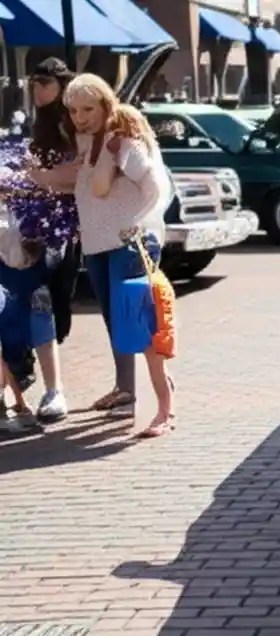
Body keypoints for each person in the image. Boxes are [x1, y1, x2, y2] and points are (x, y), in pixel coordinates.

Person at [64, 73, 177, 436]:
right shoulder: (91, 144)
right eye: (73, 110)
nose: (80, 117)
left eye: (87, 109)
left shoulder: (121, 142)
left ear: (105, 105)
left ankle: (161, 409)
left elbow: (154, 187)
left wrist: (136, 224)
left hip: (128, 244)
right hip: (98, 245)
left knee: (140, 324)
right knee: (119, 325)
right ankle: (130, 392)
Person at [1, 58, 80, 426]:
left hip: (58, 230)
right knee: (21, 308)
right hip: (24, 230)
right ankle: (18, 393)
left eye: (44, 83)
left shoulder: (72, 122)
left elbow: (77, 173)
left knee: (46, 305)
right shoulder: (38, 124)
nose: (37, 89)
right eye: (33, 83)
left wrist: (36, 179)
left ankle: (52, 389)